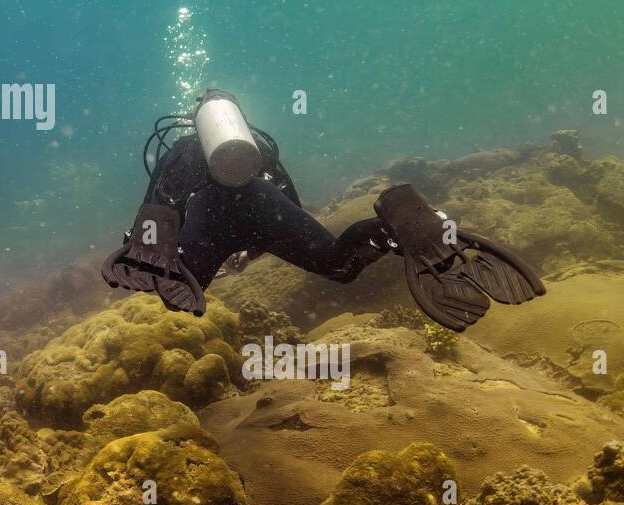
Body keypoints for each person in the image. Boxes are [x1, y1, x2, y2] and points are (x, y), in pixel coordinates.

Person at [102, 89, 545, 331]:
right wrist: (273, 235)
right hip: (263, 204)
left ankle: (178, 270)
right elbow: (286, 196)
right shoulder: (255, 147)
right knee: (337, 263)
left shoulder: (181, 151)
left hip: (213, 217)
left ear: (193, 122)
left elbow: (158, 206)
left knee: (183, 287)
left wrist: (141, 249)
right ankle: (399, 220)